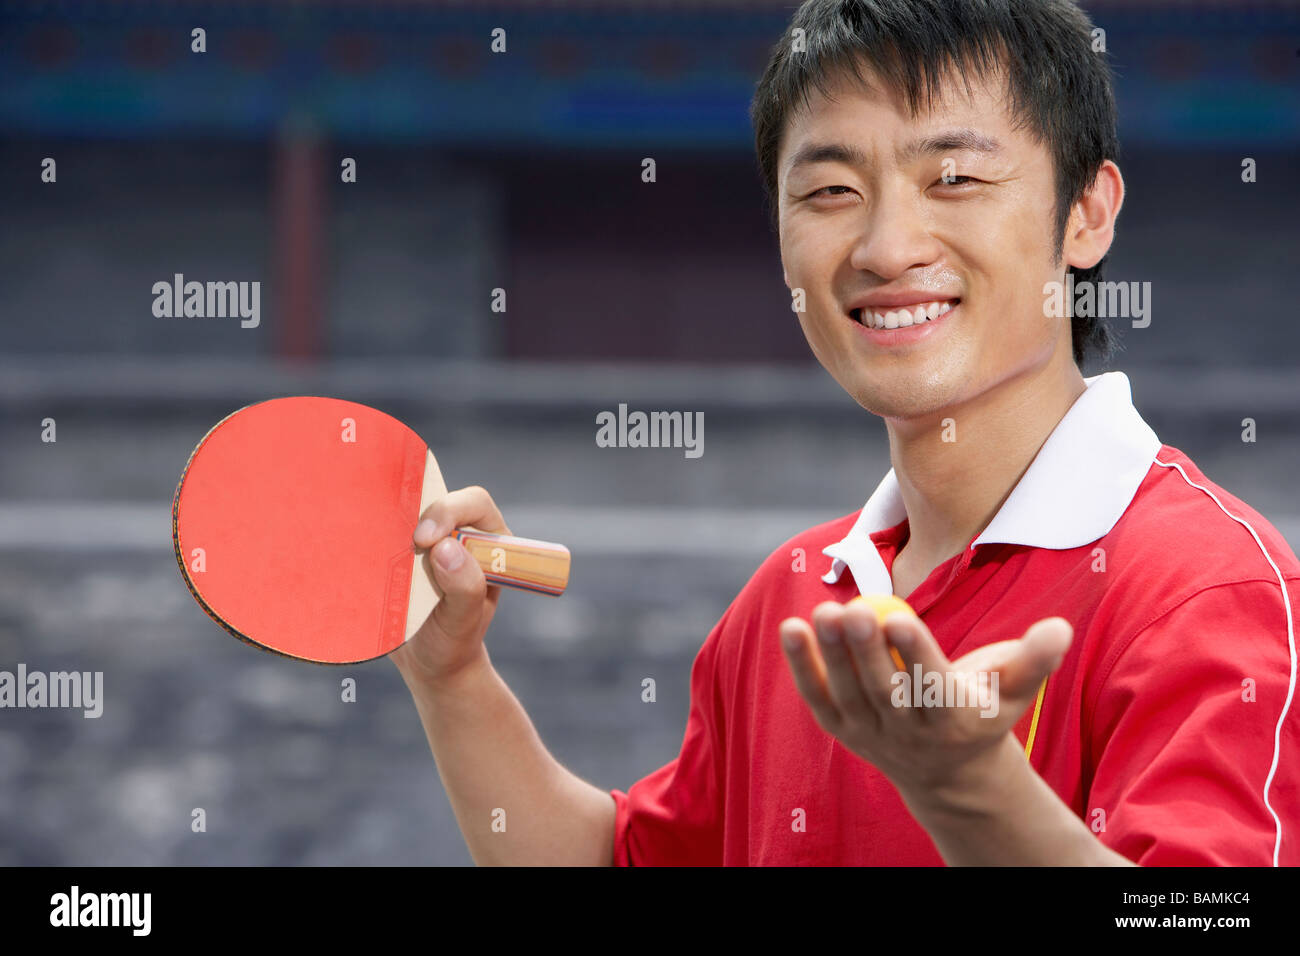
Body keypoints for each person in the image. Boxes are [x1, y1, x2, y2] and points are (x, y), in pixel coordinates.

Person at [392, 0, 1299, 865]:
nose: (886, 246)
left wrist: (970, 793)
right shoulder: (790, 602)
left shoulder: (1210, 593)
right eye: (830, 189)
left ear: (1087, 213)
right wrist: (452, 675)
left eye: (955, 178)